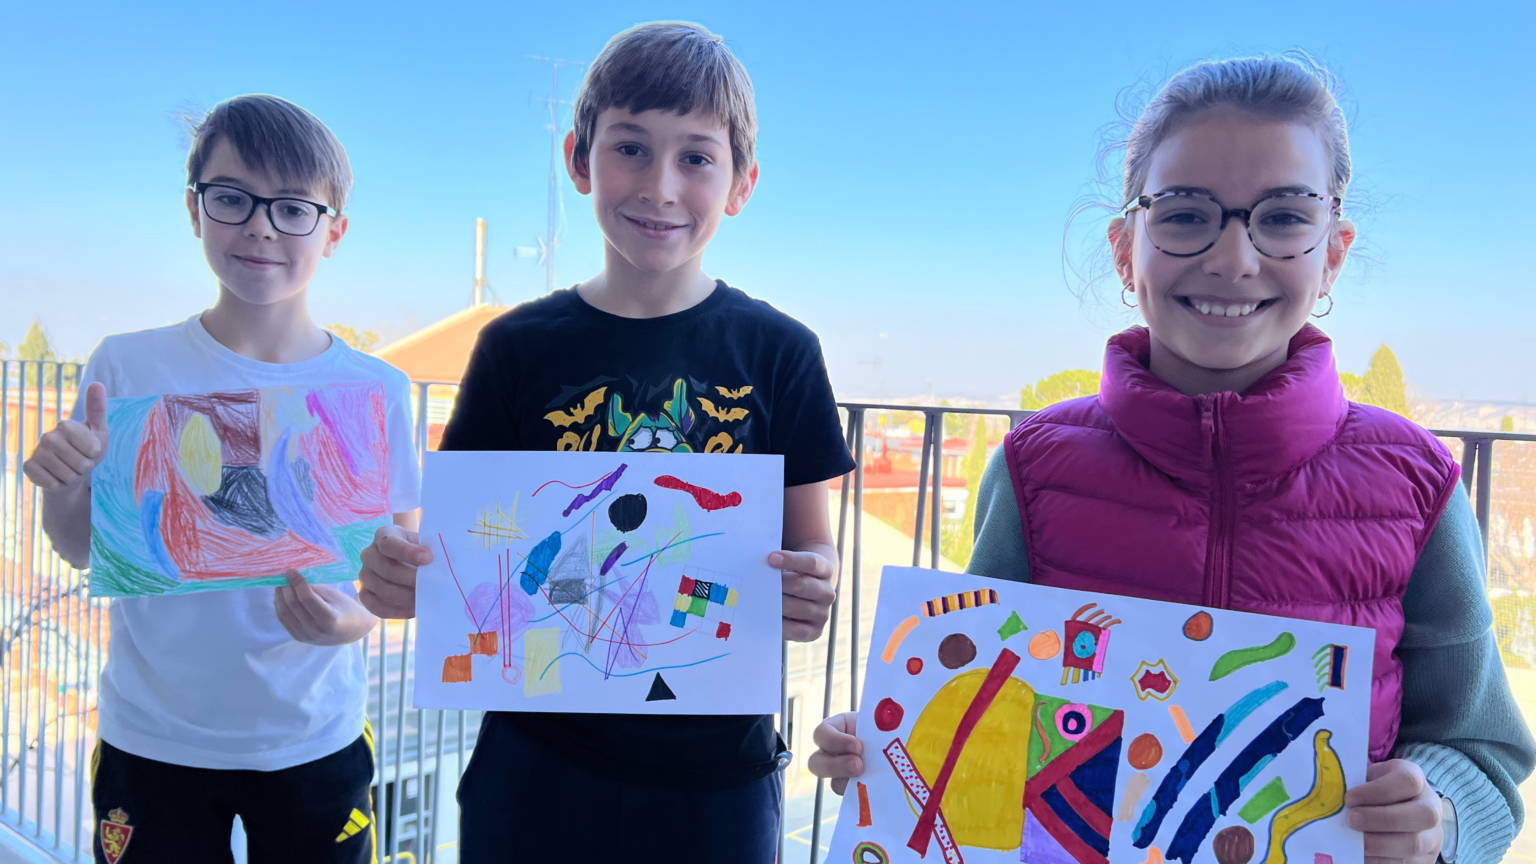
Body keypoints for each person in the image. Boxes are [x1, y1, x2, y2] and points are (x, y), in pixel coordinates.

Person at [807, 56, 1535, 864]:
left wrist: (1440, 814)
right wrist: (893, 749)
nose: (1233, 257)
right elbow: (984, 702)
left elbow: (1484, 755)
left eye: (1285, 217)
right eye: (1186, 214)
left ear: (1333, 251)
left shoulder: (1417, 484)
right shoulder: (1032, 469)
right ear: (1125, 249)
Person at [356, 21, 853, 864]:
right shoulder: (517, 346)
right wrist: (400, 576)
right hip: (536, 764)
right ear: (578, 159)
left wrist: (814, 585)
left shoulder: (781, 351)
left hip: (718, 779)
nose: (660, 185)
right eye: (631, 147)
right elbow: (455, 548)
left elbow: (813, 549)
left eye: (697, 156)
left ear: (741, 183)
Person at [22, 94, 421, 864]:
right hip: (151, 737)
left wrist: (355, 623)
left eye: (294, 207)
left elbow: (395, 573)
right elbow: (81, 549)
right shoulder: (128, 366)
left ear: (333, 231)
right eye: (233, 198)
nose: (261, 225)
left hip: (315, 737)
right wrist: (64, 485)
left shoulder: (378, 389)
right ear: (194, 209)